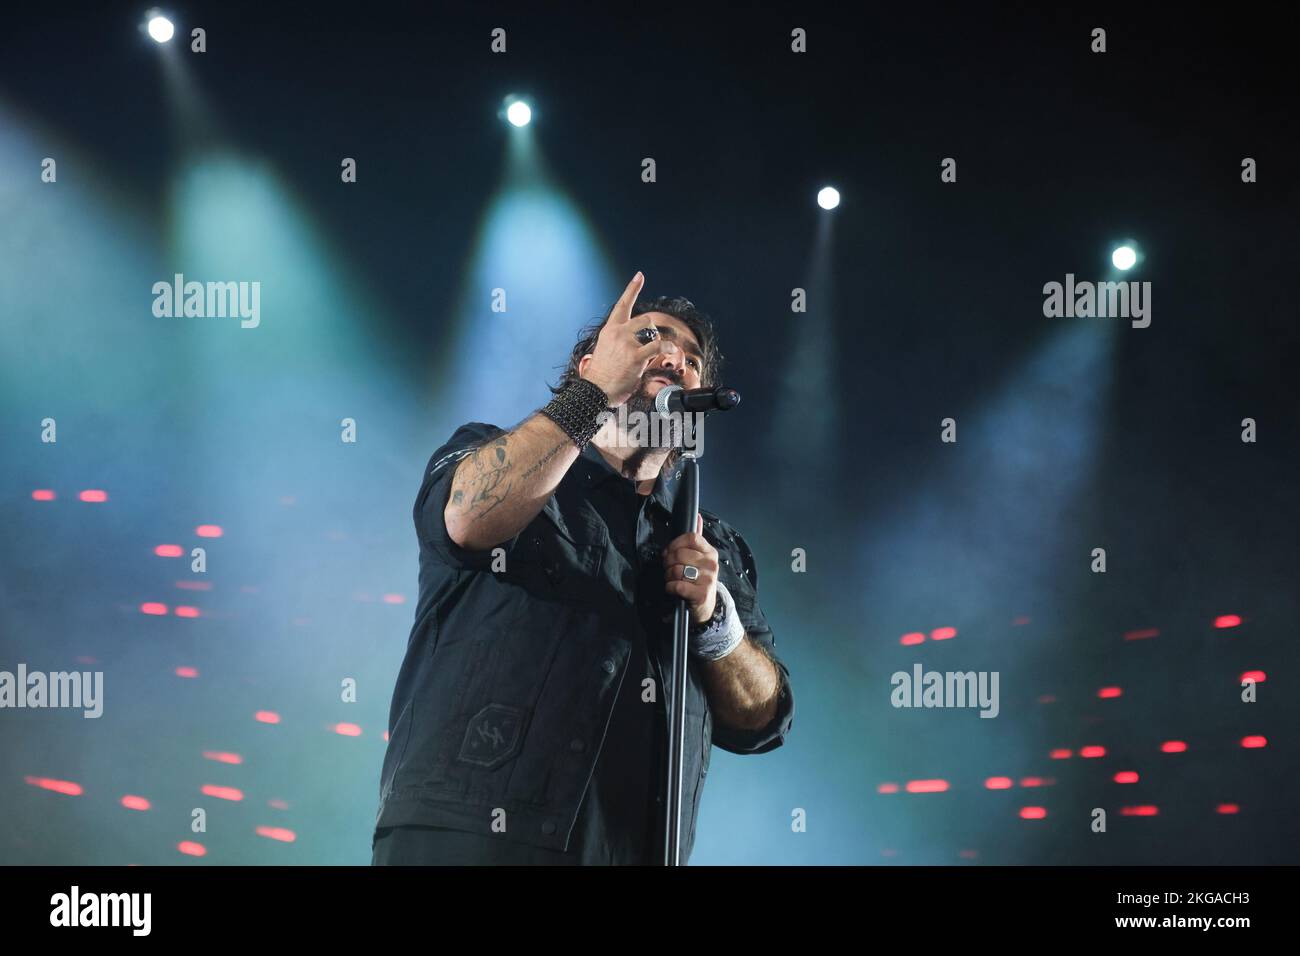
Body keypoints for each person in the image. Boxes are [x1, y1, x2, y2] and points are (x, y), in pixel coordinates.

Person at [371, 272, 794, 865]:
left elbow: (760, 720)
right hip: (468, 839)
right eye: (648, 337)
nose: (674, 356)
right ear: (591, 363)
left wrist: (714, 621)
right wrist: (590, 396)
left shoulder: (712, 544)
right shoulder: (493, 451)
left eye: (692, 358)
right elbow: (465, 520)